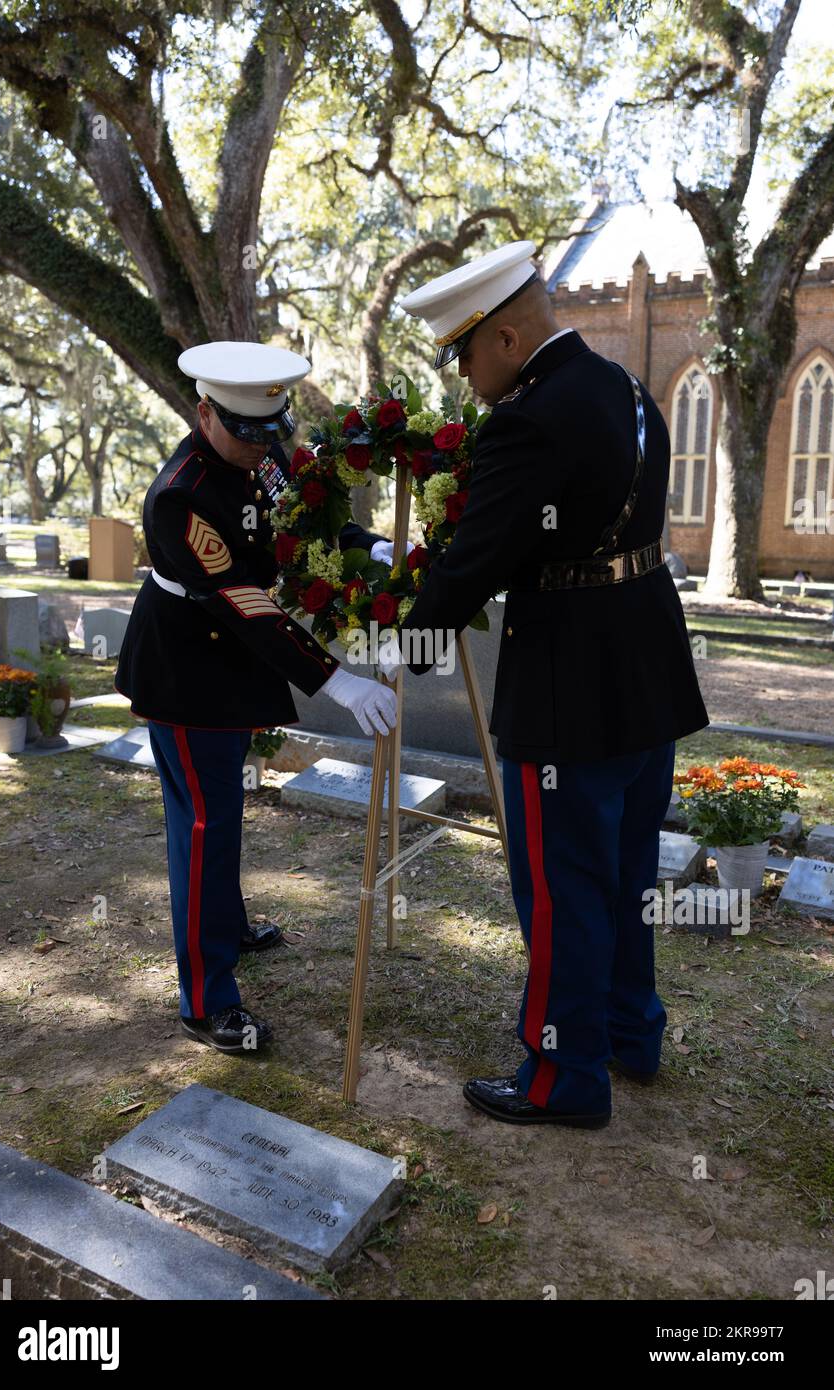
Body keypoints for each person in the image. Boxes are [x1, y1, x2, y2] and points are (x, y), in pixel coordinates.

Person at [379, 240, 709, 1127]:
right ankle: (632, 1036)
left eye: (466, 352)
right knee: (627, 872)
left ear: (509, 336)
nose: (465, 374)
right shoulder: (629, 391)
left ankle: (565, 1076)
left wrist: (397, 652)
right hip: (646, 675)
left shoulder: (529, 420)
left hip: (570, 688)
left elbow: (471, 566)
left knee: (564, 891)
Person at [115, 342, 398, 1055]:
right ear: (204, 412)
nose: (259, 449)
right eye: (244, 432)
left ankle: (228, 924)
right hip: (187, 672)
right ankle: (207, 1002)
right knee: (204, 829)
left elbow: (304, 525)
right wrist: (335, 679)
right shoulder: (179, 497)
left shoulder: (262, 452)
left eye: (270, 432)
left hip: (233, 665)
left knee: (227, 809)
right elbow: (243, 601)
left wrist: (372, 547)